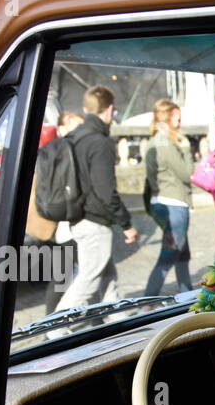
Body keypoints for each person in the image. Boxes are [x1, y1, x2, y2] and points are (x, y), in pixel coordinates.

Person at [55, 86, 137, 310]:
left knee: (107, 276)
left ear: (85, 109)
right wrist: (126, 223)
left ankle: (117, 319)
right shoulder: (99, 142)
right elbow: (106, 192)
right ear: (109, 109)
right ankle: (54, 326)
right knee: (88, 280)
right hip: (94, 221)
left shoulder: (74, 137)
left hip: (77, 216)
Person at [143, 98, 194, 295]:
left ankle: (187, 294)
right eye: (178, 118)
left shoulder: (154, 140)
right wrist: (186, 149)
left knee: (182, 253)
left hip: (160, 200)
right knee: (169, 255)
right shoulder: (165, 143)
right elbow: (187, 174)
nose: (180, 123)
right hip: (174, 203)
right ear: (170, 117)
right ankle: (146, 302)